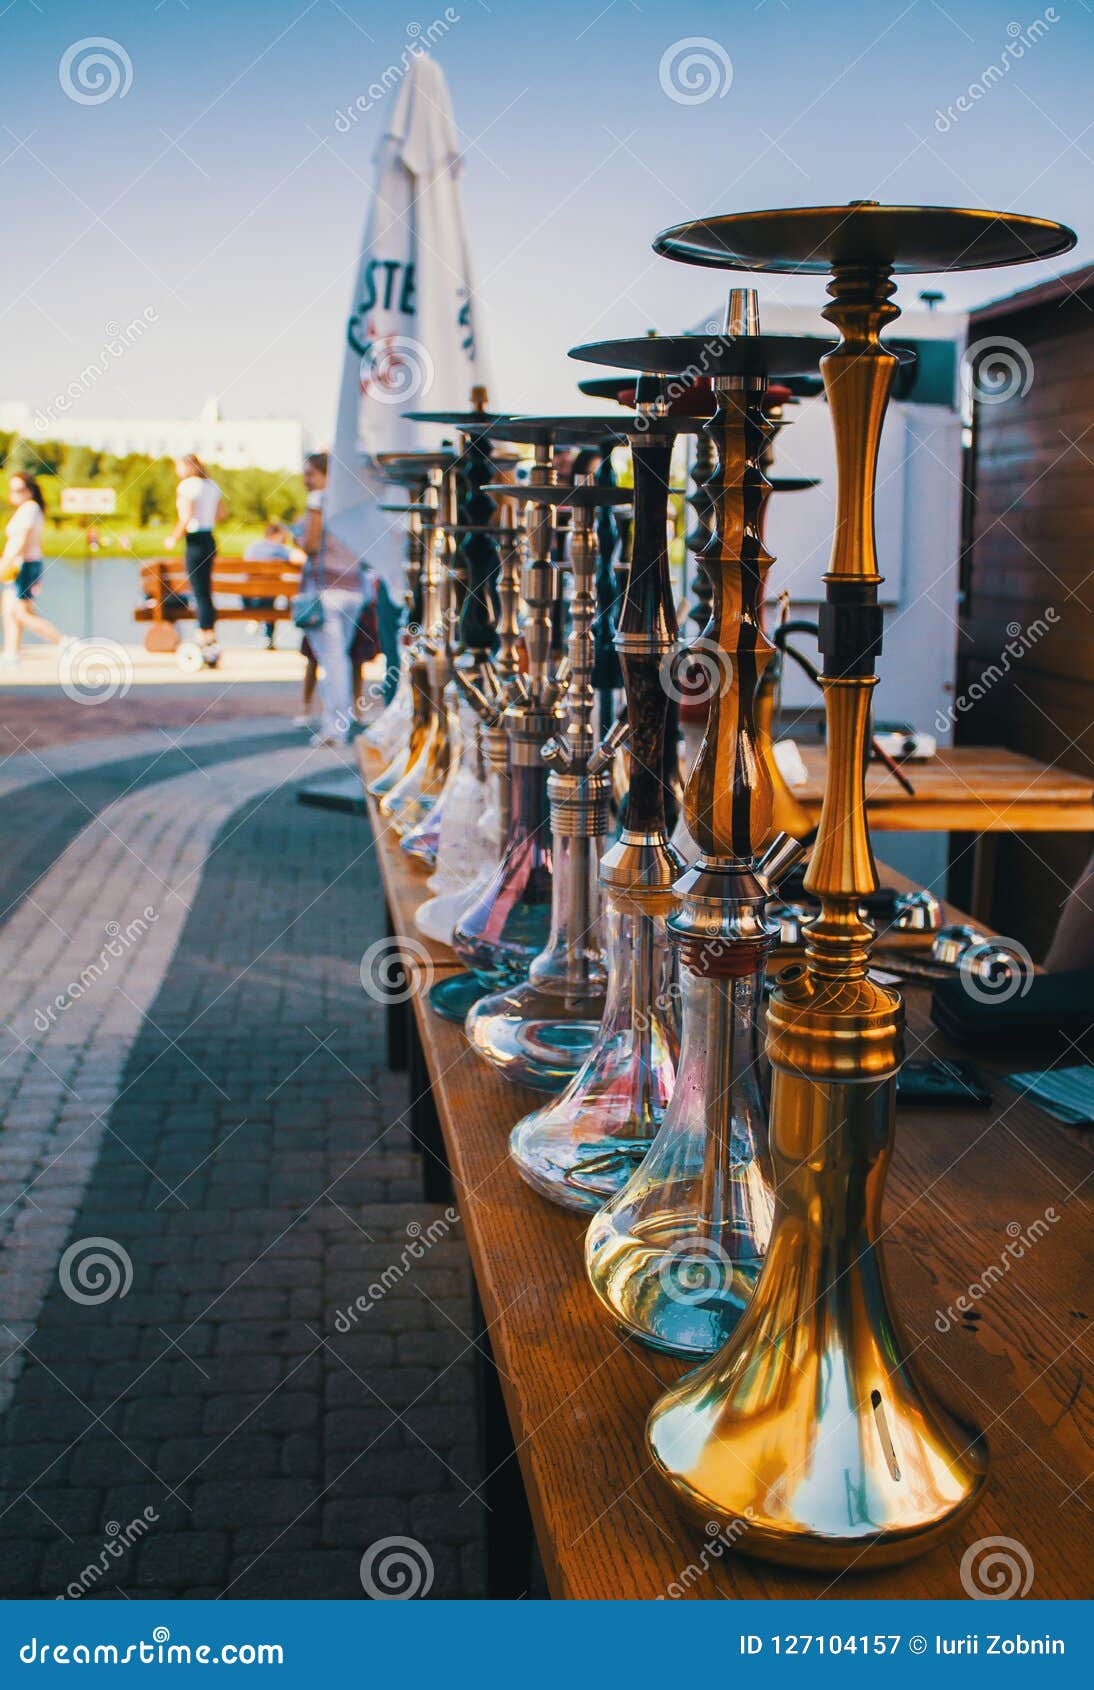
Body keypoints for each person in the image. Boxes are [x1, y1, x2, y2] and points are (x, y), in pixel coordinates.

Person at [297, 452, 374, 747]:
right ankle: (339, 722)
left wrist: (300, 540)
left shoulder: (318, 501)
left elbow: (312, 544)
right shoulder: (353, 504)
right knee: (339, 656)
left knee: (332, 660)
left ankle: (334, 726)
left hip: (326, 589)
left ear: (325, 475)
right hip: (354, 588)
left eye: (310, 474)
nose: (306, 480)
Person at [0, 471, 72, 666]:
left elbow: (20, 541)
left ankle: (63, 642)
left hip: (24, 566)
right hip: (17, 566)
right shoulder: (25, 509)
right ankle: (11, 654)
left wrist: (4, 565)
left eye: (19, 490)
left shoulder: (29, 509)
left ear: (29, 491)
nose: (14, 494)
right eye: (12, 490)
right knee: (10, 609)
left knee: (22, 613)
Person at [168, 454, 226, 666]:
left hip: (195, 541)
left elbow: (186, 517)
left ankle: (203, 636)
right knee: (206, 591)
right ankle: (210, 635)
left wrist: (172, 538)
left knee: (198, 591)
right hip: (210, 539)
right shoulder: (212, 485)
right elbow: (221, 515)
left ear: (187, 467)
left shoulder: (187, 486)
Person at [243, 521, 293, 650]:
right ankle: (268, 637)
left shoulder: (253, 547)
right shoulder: (280, 549)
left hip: (248, 595)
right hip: (268, 595)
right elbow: (299, 558)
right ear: (277, 535)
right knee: (275, 589)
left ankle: (255, 617)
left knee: (268, 589)